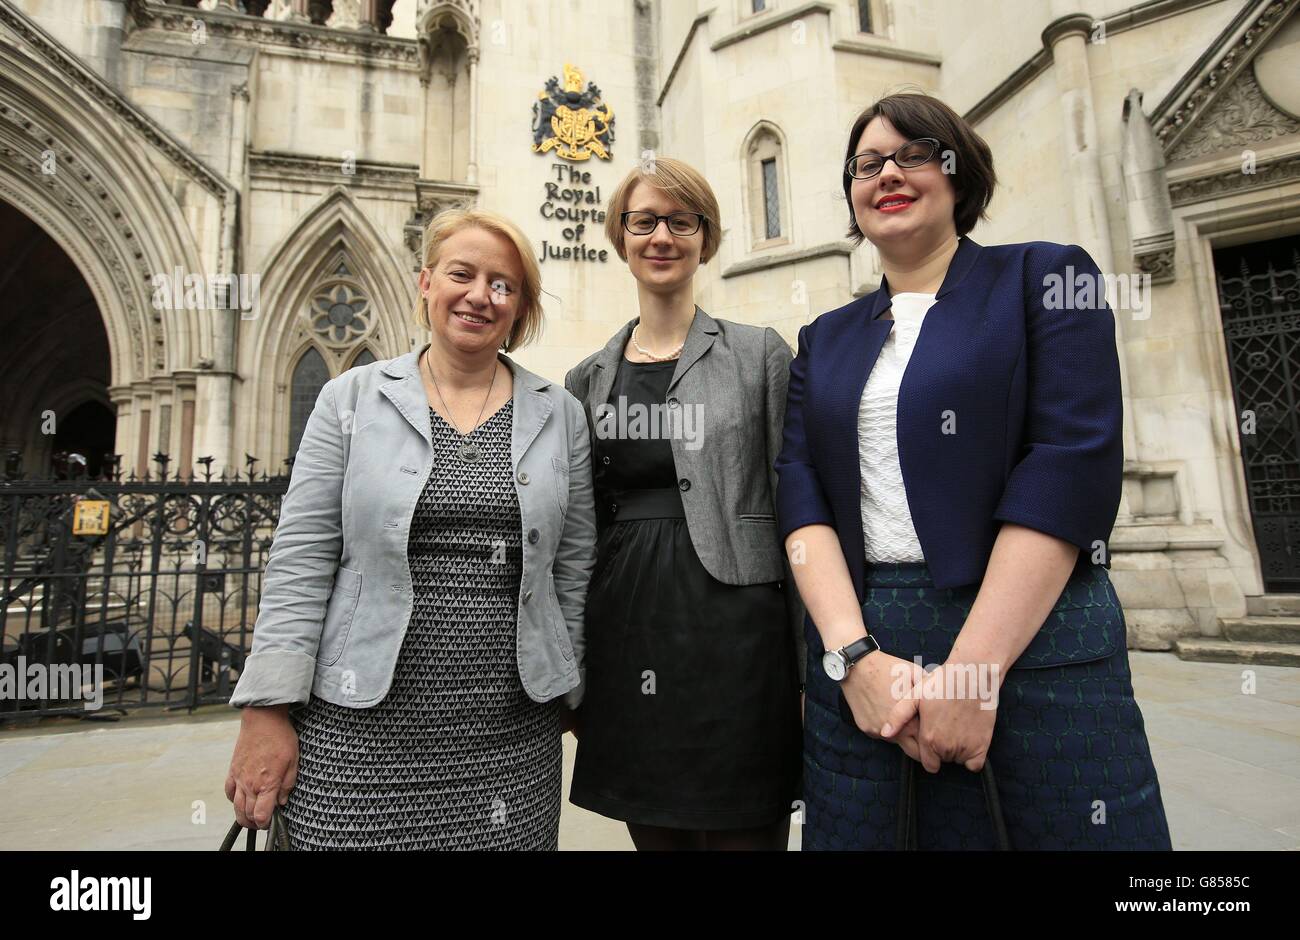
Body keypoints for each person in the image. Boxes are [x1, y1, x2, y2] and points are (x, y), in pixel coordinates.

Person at [776, 92, 1172, 850]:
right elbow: (802, 497)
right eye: (865, 164)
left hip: (1031, 642)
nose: (886, 172)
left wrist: (972, 673)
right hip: (868, 658)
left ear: (959, 171)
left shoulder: (1047, 278)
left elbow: (1068, 468)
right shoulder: (823, 339)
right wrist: (852, 657)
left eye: (912, 153)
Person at [225, 208, 595, 850]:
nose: (481, 295)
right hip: (356, 728)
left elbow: (574, 563)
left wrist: (570, 680)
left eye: (503, 284)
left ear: (520, 306)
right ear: (426, 282)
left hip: (510, 735)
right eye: (462, 274)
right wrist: (266, 710)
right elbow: (302, 558)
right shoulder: (349, 399)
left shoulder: (559, 413)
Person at [565, 156, 803, 851]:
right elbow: (580, 532)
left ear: (706, 236)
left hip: (740, 642)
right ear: (622, 237)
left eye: (681, 220)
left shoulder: (760, 355)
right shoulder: (587, 379)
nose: (661, 235)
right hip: (628, 634)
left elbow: (798, 513)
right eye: (644, 221)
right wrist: (576, 670)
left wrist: (810, 662)